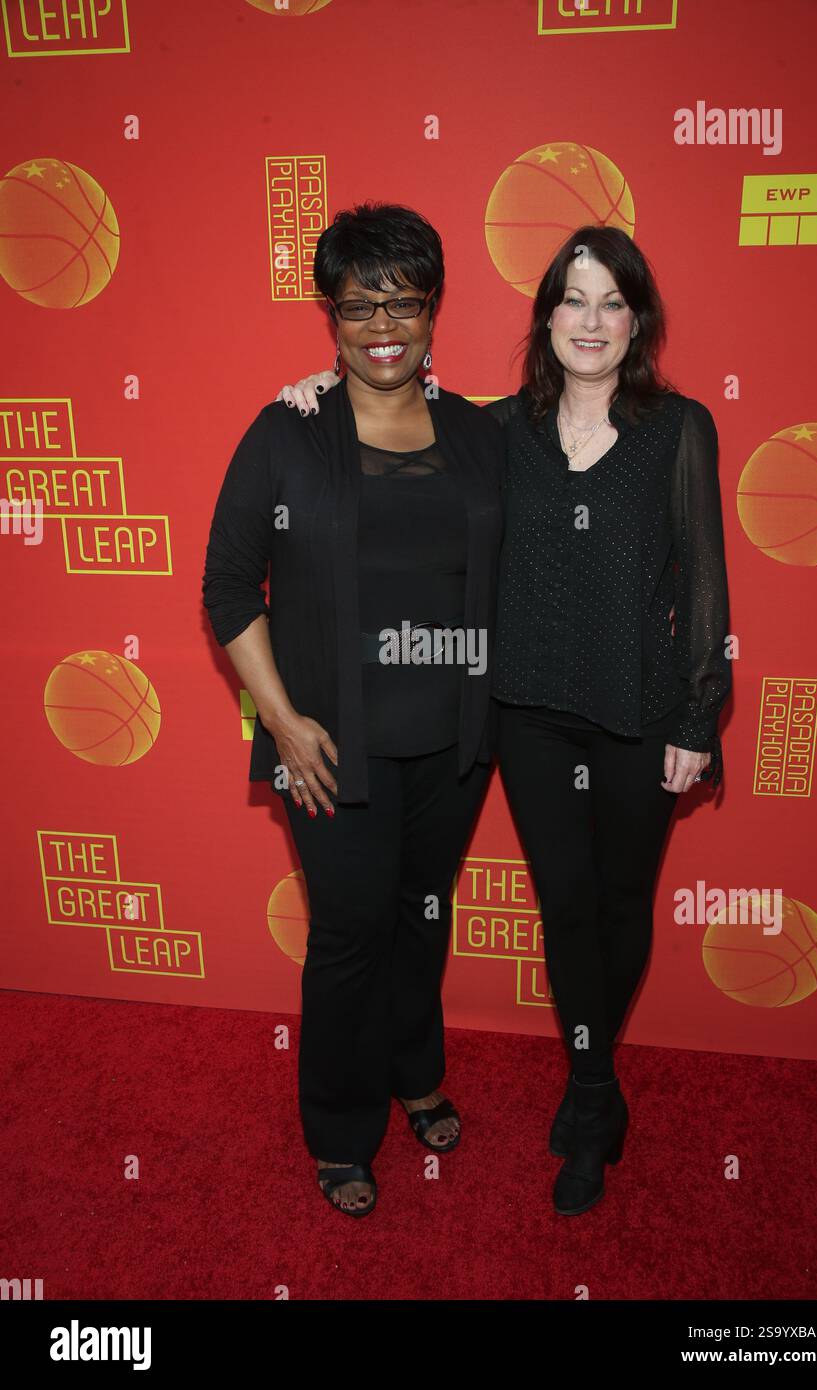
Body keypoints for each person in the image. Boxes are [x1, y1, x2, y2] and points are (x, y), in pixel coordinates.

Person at [275, 223, 732, 1216]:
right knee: (564, 908)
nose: (591, 320)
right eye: (573, 298)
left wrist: (698, 715)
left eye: (612, 301)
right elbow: (393, 439)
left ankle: (589, 1082)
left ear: (636, 320)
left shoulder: (676, 427)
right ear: (546, 315)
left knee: (620, 909)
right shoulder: (499, 429)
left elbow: (702, 583)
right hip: (525, 712)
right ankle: (593, 1092)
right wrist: (310, 403)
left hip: (638, 713)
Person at [202, 202, 504, 1215]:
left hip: (451, 744)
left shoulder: (473, 431)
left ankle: (414, 1072)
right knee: (347, 934)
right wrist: (281, 723)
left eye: (403, 301)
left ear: (433, 310)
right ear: (328, 315)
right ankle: (338, 1126)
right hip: (329, 743)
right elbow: (228, 589)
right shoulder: (286, 434)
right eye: (357, 304)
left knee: (422, 920)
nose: (382, 324)